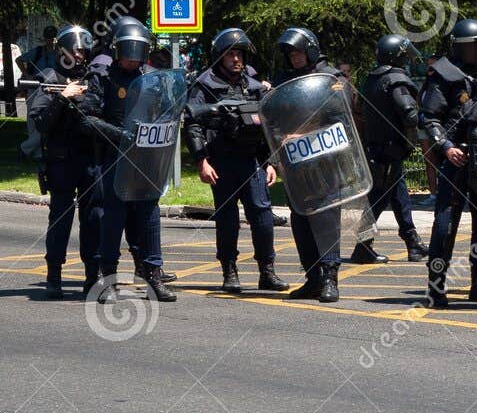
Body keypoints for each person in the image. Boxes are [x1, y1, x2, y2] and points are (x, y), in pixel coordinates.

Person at [184, 28, 288, 294]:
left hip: (252, 160)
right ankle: (229, 271)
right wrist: (201, 161)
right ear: (220, 56)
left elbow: (269, 126)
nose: (236, 59)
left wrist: (271, 162)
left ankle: (267, 271)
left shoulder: (254, 85)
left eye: (239, 54)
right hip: (221, 161)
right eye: (230, 54)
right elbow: (193, 124)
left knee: (262, 215)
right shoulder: (204, 85)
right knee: (227, 219)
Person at [86, 18, 175, 303]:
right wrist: (121, 135)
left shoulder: (153, 78)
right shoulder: (103, 77)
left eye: (137, 51)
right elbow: (88, 118)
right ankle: (107, 280)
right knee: (113, 219)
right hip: (115, 155)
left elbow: (167, 109)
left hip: (146, 157)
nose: (132, 58)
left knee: (150, 217)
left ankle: (154, 276)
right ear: (117, 50)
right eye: (127, 51)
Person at [419, 19, 477, 308]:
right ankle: (436, 285)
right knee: (445, 225)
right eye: (472, 46)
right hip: (455, 159)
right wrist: (446, 146)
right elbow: (429, 118)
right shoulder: (443, 75)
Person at [267, 27, 347, 303]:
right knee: (300, 219)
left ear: (311, 50)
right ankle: (313, 278)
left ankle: (330, 278)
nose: (295, 57)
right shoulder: (285, 81)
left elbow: (341, 121)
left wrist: (305, 135)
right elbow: (273, 121)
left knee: (326, 220)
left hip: (325, 161)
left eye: (298, 52)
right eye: (290, 54)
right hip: (295, 163)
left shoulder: (331, 79)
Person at [28, 24, 105, 299]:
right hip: (61, 159)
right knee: (60, 217)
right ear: (62, 51)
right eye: (74, 50)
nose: (79, 55)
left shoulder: (94, 78)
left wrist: (85, 100)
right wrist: (62, 97)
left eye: (83, 50)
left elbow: (104, 110)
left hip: (90, 157)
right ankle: (54, 275)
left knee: (94, 217)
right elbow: (40, 122)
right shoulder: (51, 78)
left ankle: (93, 275)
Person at [351, 34, 428, 266]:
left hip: (380, 148)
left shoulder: (372, 79)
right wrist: (428, 117)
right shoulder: (396, 80)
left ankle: (412, 242)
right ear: (397, 56)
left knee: (398, 196)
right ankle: (362, 247)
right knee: (377, 199)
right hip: (390, 149)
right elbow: (409, 114)